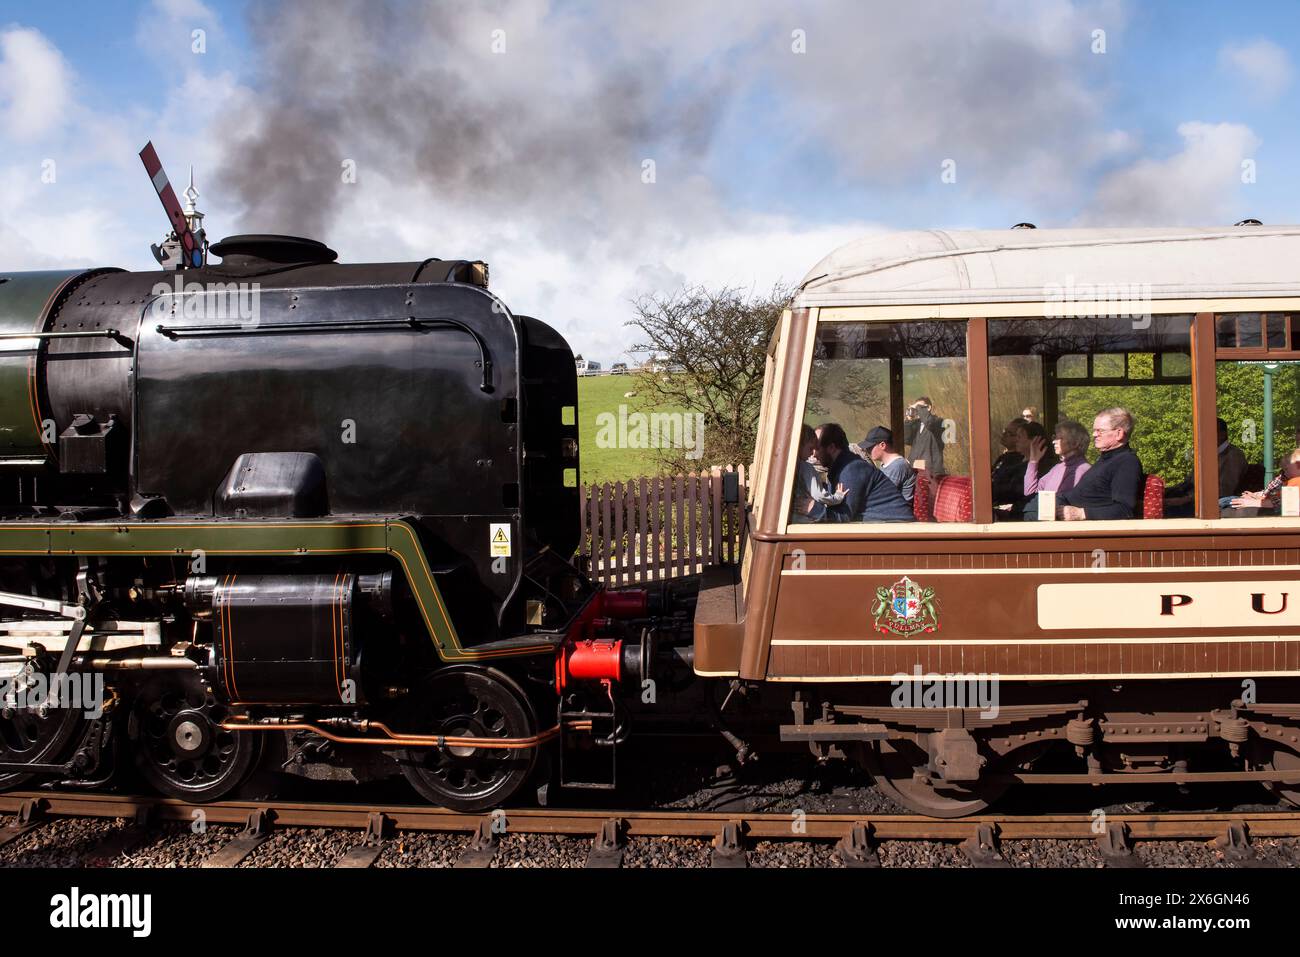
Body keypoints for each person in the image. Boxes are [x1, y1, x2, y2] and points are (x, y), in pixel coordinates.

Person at [1057, 408, 1143, 520]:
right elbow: (1077, 495)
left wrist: (1081, 514)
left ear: (1119, 433)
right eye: (1094, 430)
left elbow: (1124, 510)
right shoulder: (1105, 460)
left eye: (1100, 431)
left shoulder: (1127, 462)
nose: (1094, 434)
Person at [817, 423, 913, 522]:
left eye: (817, 448)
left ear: (832, 448)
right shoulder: (842, 468)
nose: (813, 453)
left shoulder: (851, 470)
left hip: (895, 529)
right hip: (882, 526)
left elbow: (843, 516)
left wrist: (812, 509)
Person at [1167, 419, 1246, 515]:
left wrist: (1185, 499)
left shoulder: (1233, 456)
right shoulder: (1208, 454)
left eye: (1207, 433)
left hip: (1212, 506)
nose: (1202, 437)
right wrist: (1169, 491)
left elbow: (1224, 490)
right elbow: (1190, 481)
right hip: (1193, 499)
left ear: (1222, 435)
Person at [790, 424, 846, 523]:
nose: (813, 454)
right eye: (810, 448)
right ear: (799, 445)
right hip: (804, 519)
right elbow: (818, 495)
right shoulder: (806, 467)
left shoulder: (790, 465)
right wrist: (838, 497)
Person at [1024, 419, 1091, 495]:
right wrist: (1033, 461)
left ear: (1075, 443)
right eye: (1055, 437)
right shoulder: (1057, 467)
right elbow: (1030, 494)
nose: (1054, 441)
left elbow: (1060, 501)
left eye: (1060, 438)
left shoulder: (1080, 470)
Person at [862, 425, 915, 503]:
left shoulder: (898, 466)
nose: (867, 450)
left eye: (870, 447)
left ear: (882, 445)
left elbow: (881, 495)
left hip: (898, 512)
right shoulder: (886, 465)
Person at [991, 418, 1031, 515]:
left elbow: (1013, 489)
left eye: (1009, 433)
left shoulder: (1020, 461)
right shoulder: (1003, 457)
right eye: (1005, 431)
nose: (1004, 435)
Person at [902, 397, 945, 476]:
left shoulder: (939, 422)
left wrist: (917, 406)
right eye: (917, 408)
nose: (917, 410)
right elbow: (906, 440)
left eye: (920, 407)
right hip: (915, 470)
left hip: (932, 472)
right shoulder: (916, 424)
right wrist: (909, 419)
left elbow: (929, 423)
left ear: (928, 408)